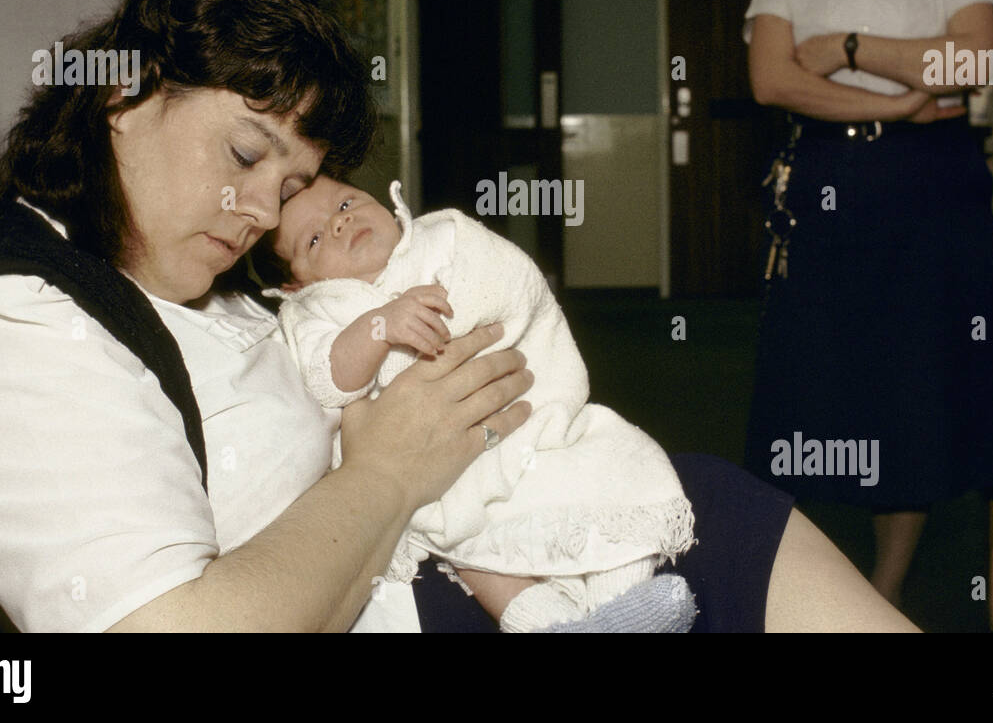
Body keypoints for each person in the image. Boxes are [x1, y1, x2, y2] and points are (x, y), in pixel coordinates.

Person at [0, 0, 917, 632]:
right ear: (123, 89)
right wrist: (390, 472)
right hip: (384, 600)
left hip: (409, 571)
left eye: (285, 186)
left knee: (695, 503)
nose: (253, 208)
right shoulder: (9, 333)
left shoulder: (197, 283)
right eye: (243, 151)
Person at [742, 0, 993, 609]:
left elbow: (976, 64)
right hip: (831, 187)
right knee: (818, 386)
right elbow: (771, 80)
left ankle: (887, 586)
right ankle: (788, 584)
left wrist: (847, 45)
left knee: (913, 392)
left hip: (933, 194)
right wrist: (910, 94)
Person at [260, 175, 695, 632]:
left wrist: (452, 316)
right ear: (296, 285)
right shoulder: (318, 309)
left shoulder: (444, 238)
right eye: (313, 238)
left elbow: (511, 285)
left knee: (615, 475)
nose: (339, 223)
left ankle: (623, 607)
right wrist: (379, 327)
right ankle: (553, 624)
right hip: (443, 477)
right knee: (478, 559)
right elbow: (327, 381)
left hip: (532, 427)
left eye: (346, 202)